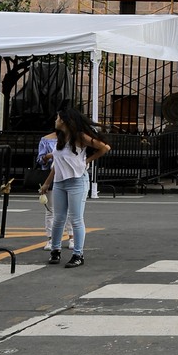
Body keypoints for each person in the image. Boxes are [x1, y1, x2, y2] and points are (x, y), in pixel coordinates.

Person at [45, 107, 110, 267]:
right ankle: (55, 250)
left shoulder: (80, 137)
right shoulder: (60, 138)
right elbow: (58, 164)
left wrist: (87, 161)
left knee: (76, 219)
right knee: (58, 218)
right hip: (60, 182)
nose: (55, 120)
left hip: (77, 181)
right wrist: (47, 183)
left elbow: (105, 147)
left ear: (65, 121)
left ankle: (78, 254)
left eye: (58, 118)